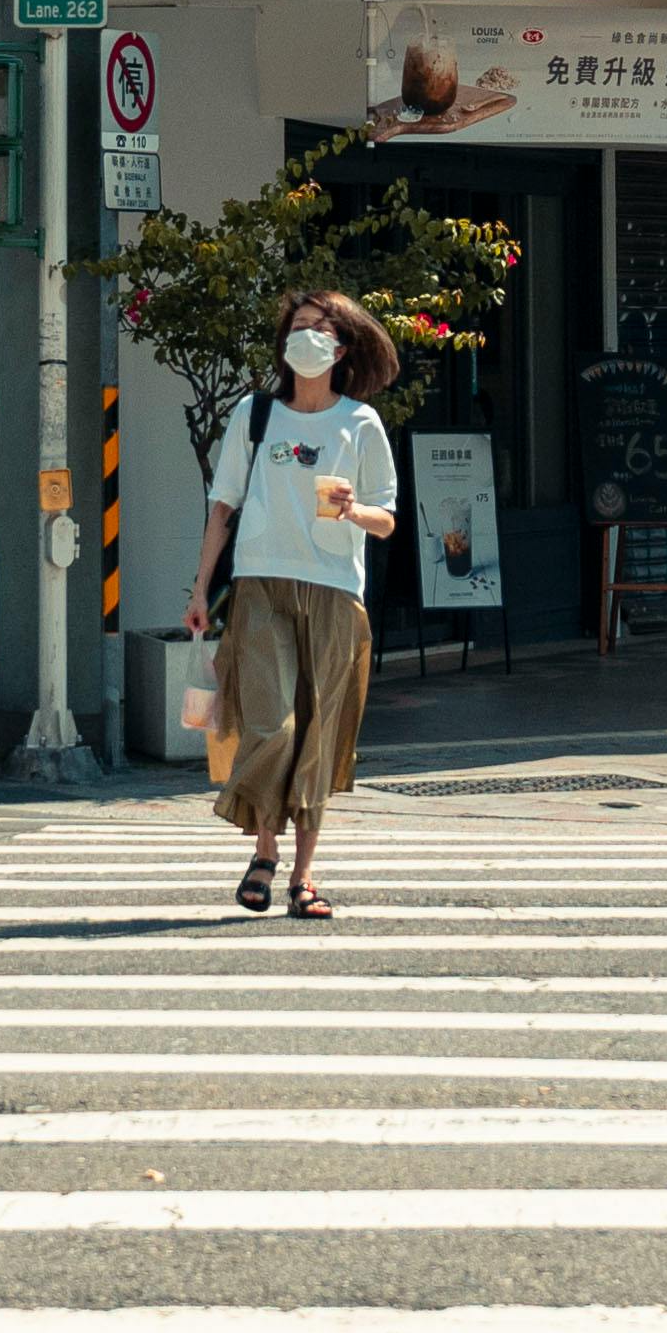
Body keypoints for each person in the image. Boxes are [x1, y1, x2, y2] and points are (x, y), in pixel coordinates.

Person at [189, 287, 400, 916]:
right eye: (297, 327)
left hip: (335, 589)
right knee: (272, 725)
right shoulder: (254, 415)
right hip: (260, 584)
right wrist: (200, 588)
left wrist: (353, 510)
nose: (306, 336)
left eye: (319, 328)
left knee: (318, 733)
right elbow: (222, 506)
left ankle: (301, 877)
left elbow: (386, 518)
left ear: (341, 347)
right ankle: (264, 850)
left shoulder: (359, 422)